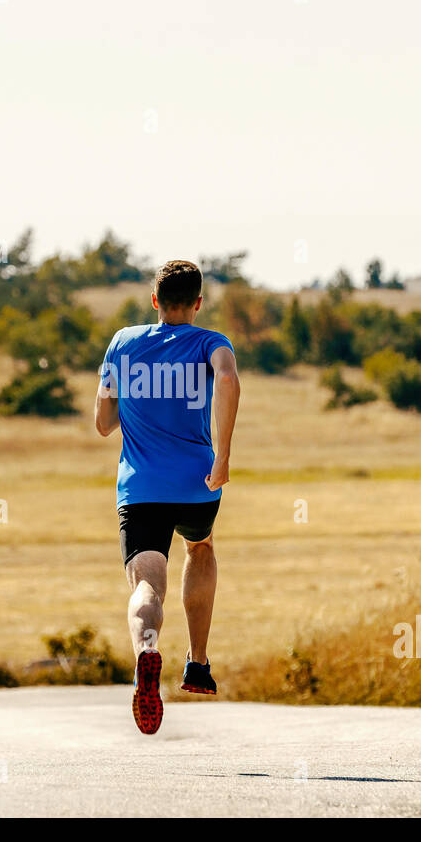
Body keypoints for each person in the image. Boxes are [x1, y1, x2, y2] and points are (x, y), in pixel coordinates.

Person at [94, 259, 241, 734]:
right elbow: (227, 378)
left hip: (141, 489)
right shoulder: (211, 342)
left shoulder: (122, 343)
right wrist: (223, 456)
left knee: (146, 586)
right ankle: (198, 663)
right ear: (199, 303)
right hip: (197, 486)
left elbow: (102, 422)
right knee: (200, 547)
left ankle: (147, 652)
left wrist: (135, 405)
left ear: (154, 300)